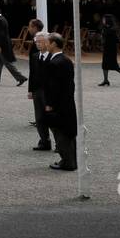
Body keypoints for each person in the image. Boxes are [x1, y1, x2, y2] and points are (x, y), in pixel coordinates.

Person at [42, 33, 77, 171]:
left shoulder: (54, 63)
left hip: (58, 104)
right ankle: (72, 160)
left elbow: (53, 87)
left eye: (48, 42)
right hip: (68, 102)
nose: (46, 45)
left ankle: (67, 162)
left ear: (54, 44)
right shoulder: (67, 60)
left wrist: (49, 104)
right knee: (69, 133)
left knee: (60, 134)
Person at [0, 4, 27, 86]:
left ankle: (21, 77)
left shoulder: (0, 20)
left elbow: (1, 35)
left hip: (2, 46)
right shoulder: (0, 19)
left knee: (7, 63)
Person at [26, 23, 52, 152]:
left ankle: (59, 143)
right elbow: (32, 73)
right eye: (37, 42)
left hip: (50, 92)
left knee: (52, 117)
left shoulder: (53, 57)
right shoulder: (35, 57)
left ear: (47, 43)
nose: (38, 44)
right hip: (37, 90)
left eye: (41, 42)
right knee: (39, 117)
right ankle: (44, 141)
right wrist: (30, 90)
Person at [98, 14, 120, 86]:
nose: (103, 20)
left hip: (111, 50)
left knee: (114, 66)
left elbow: (117, 40)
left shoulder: (111, 30)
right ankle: (106, 80)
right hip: (106, 48)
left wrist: (105, 36)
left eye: (104, 19)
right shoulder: (105, 28)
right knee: (104, 64)